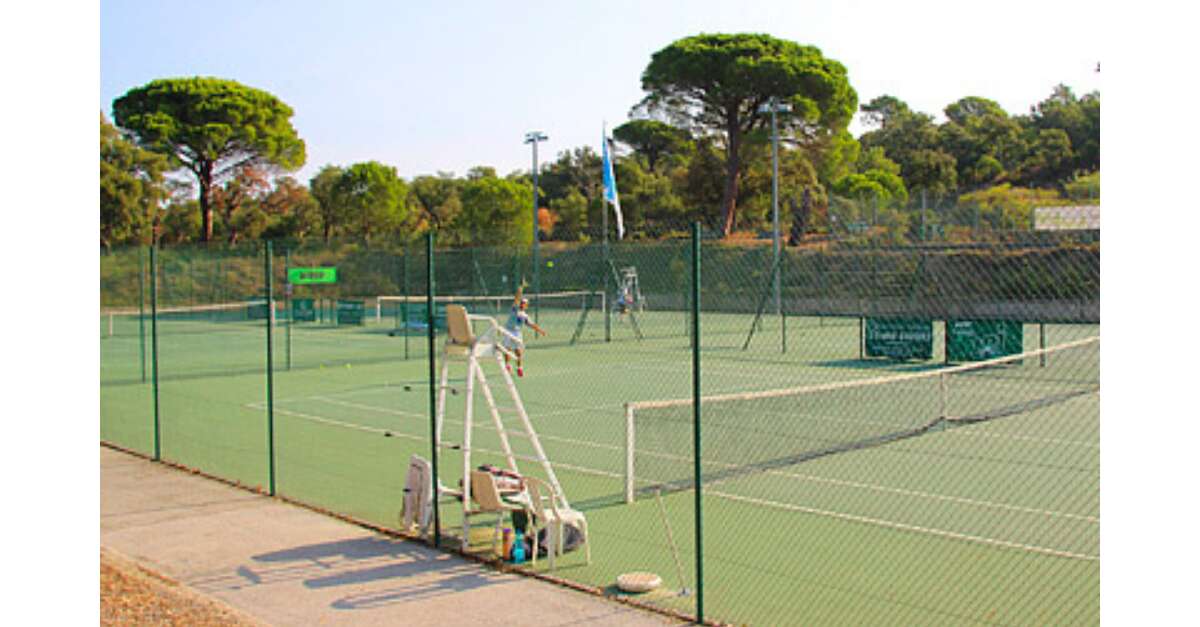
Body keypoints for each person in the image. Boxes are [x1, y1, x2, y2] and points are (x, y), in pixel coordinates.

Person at [502, 284, 546, 377]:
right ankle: (507, 366)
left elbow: (531, 325)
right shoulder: (515, 309)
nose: (522, 304)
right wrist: (520, 289)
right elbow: (517, 298)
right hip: (508, 330)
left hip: (517, 333)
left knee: (518, 351)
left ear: (527, 306)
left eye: (524, 303)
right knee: (507, 349)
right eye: (522, 302)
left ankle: (519, 368)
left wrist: (540, 331)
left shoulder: (525, 316)